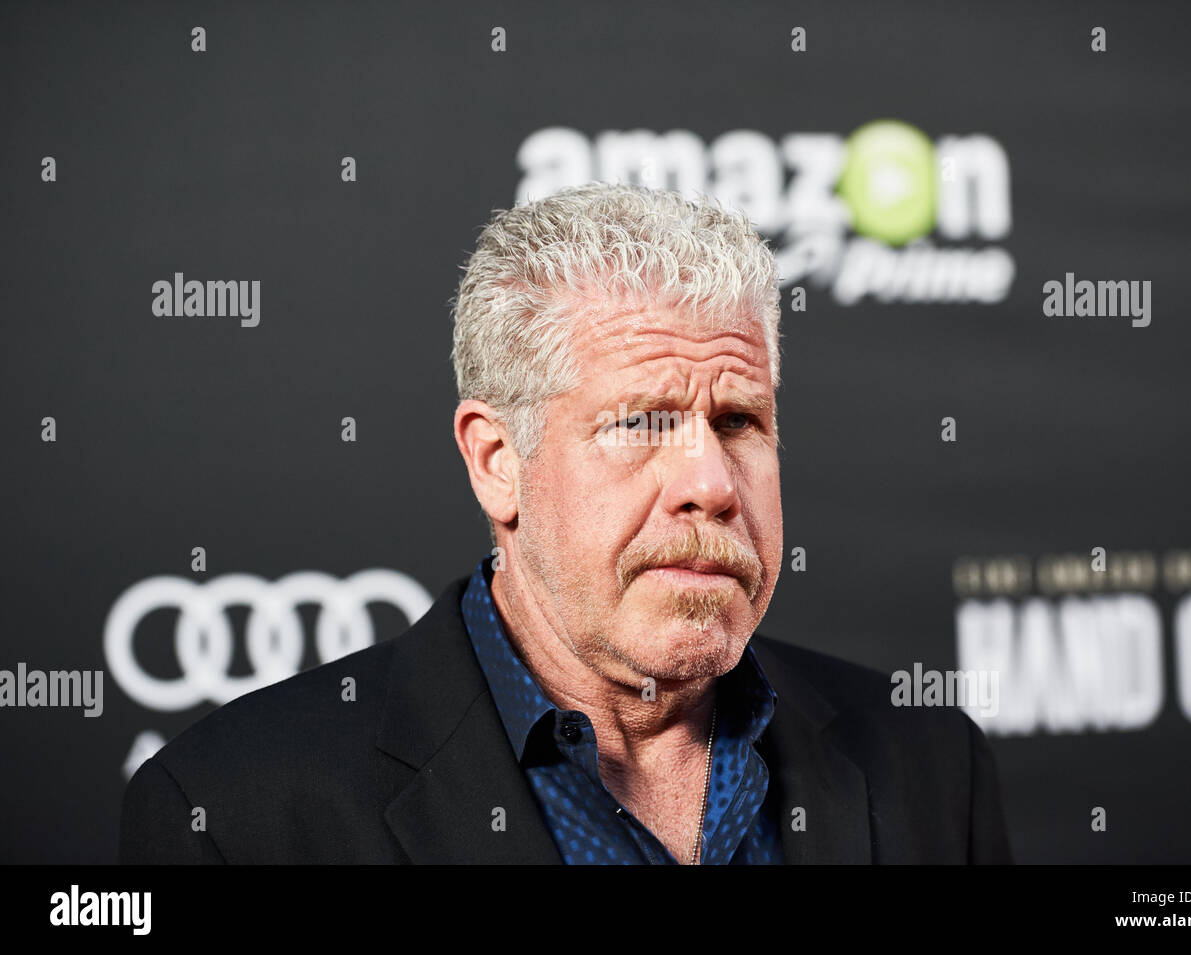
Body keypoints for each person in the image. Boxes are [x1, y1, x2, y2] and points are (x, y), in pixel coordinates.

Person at [120, 182, 1013, 864]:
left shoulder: (928, 760)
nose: (710, 482)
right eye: (640, 422)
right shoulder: (235, 815)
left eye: (738, 421)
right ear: (497, 459)